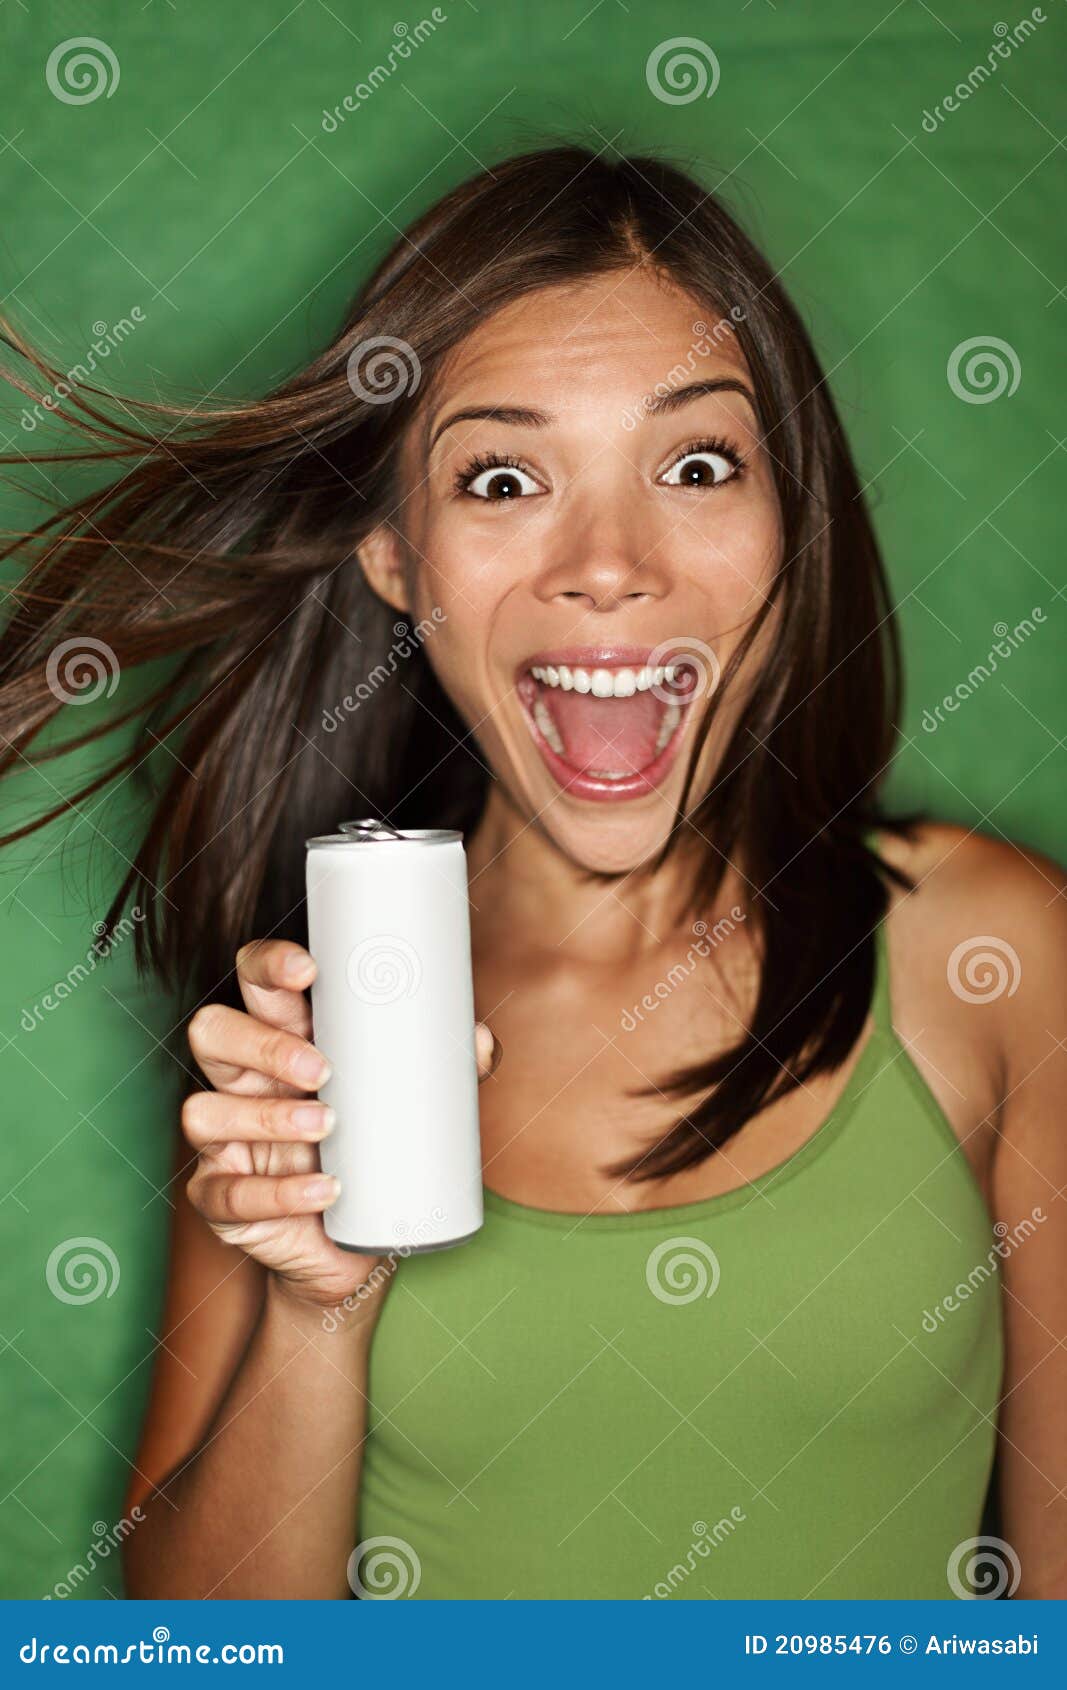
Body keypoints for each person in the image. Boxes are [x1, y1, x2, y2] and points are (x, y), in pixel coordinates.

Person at [2, 147, 1063, 1600]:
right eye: (503, 477)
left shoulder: (992, 950)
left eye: (696, 464)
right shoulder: (304, 1012)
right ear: (393, 553)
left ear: (788, 519)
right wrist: (319, 1313)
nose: (610, 562)